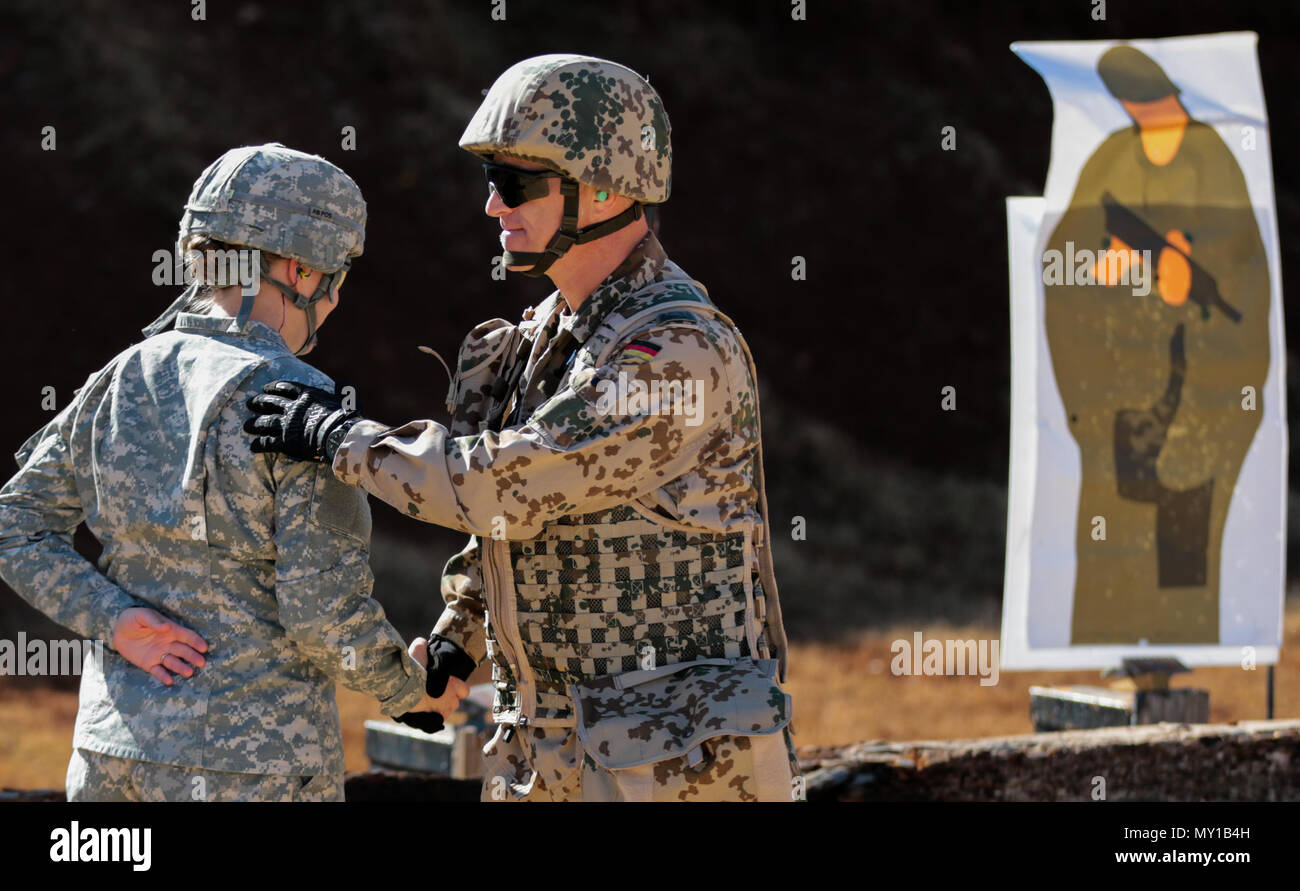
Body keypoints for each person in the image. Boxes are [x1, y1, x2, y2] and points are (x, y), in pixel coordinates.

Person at [245, 55, 799, 801]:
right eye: (491, 183)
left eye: (514, 185)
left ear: (602, 189)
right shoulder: (546, 336)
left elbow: (511, 480)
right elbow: (513, 533)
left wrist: (341, 438)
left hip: (678, 769)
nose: (492, 208)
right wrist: (456, 640)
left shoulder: (679, 351)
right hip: (547, 758)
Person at [0, 143, 462, 802]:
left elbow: (15, 524)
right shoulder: (300, 400)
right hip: (256, 769)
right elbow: (320, 612)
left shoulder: (120, 375)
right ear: (301, 270)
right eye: (337, 275)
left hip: (110, 757)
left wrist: (114, 618)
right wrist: (413, 691)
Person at [1041, 45, 1270, 645]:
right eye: (1139, 105)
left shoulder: (1212, 158)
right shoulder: (1112, 158)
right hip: (1119, 387)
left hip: (1195, 387)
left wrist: (1188, 269)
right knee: (1113, 536)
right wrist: (1101, 267)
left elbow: (1241, 262)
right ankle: (1116, 652)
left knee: (1183, 529)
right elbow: (1063, 254)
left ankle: (1177, 653)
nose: (1148, 115)